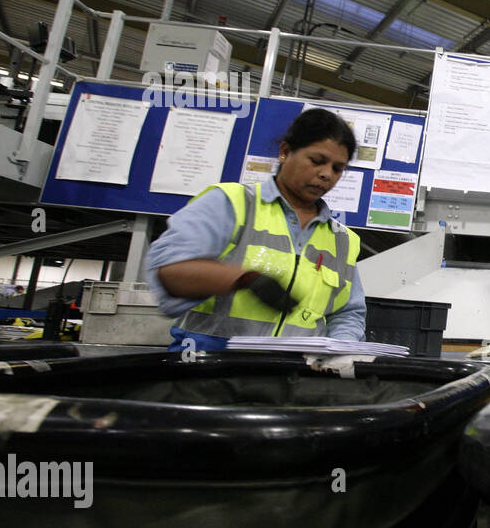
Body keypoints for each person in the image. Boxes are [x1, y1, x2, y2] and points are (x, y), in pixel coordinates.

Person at [145, 108, 366, 351]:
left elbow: (348, 313)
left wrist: (339, 350)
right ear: (285, 152)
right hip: (208, 371)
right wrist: (245, 280)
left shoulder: (342, 240)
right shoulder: (231, 204)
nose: (326, 175)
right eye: (317, 161)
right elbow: (170, 272)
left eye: (337, 168)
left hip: (291, 377)